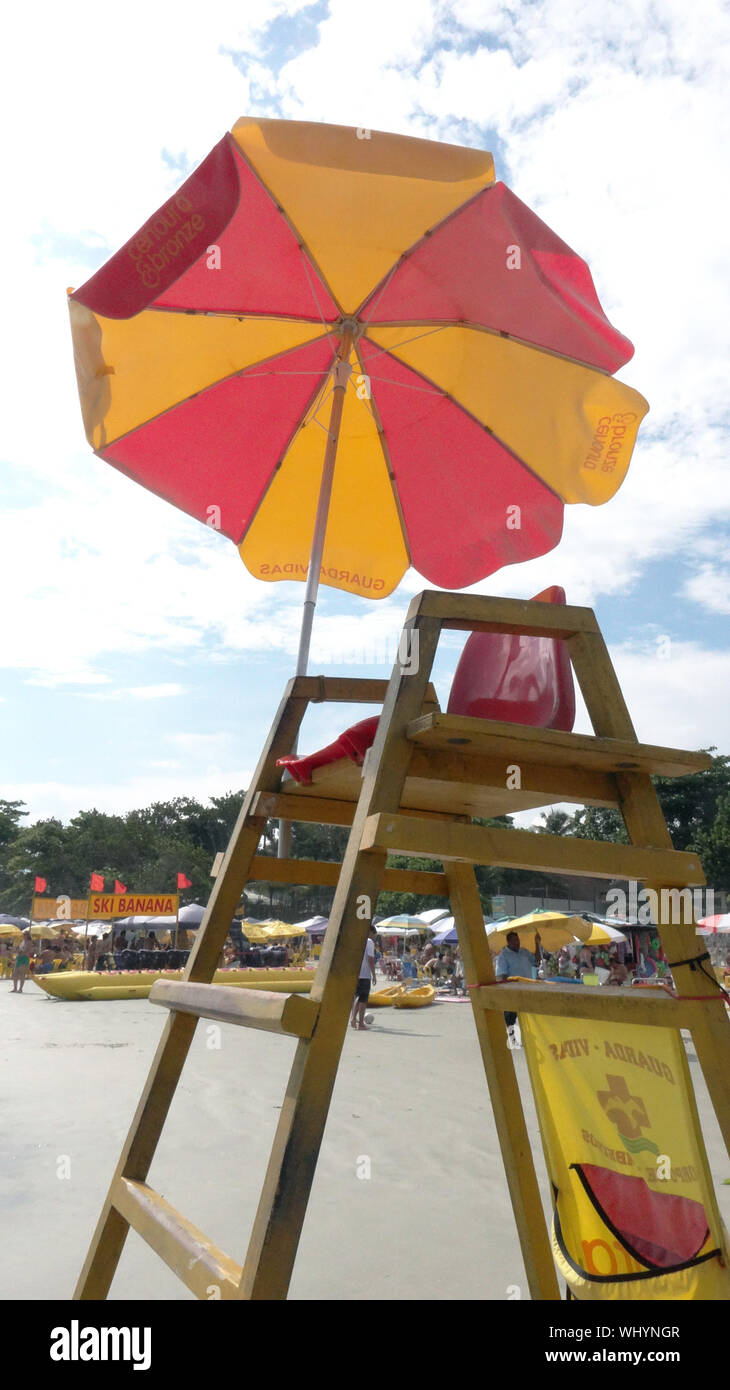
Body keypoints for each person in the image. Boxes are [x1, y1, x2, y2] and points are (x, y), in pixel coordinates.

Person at [495, 930, 541, 1049]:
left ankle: (529, 1038)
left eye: (518, 940)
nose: (517, 943)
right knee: (510, 1017)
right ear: (509, 942)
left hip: (528, 989)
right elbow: (502, 975)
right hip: (513, 990)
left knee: (529, 1015)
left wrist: (537, 943)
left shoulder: (524, 951)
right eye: (515, 941)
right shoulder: (503, 955)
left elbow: (536, 961)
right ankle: (512, 1039)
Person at [350, 927, 377, 1031]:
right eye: (374, 934)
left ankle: (353, 1018)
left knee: (357, 996)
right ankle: (361, 1023)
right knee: (363, 999)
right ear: (370, 932)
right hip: (364, 974)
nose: (374, 937)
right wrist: (374, 974)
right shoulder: (369, 942)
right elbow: (370, 959)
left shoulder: (356, 940)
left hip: (355, 974)